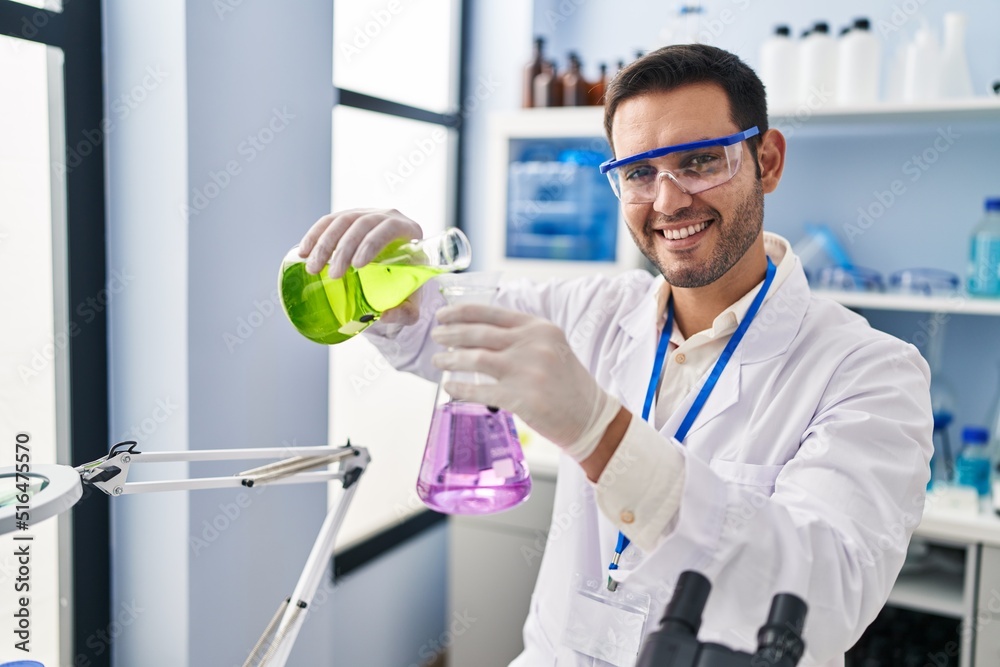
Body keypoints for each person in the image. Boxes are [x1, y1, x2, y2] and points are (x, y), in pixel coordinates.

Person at [299, 45, 932, 666]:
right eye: (638, 172)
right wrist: (391, 283)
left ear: (766, 160)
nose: (668, 200)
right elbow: (441, 327)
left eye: (700, 161)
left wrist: (602, 432)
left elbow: (824, 597)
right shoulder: (593, 310)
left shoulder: (870, 372)